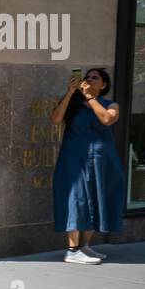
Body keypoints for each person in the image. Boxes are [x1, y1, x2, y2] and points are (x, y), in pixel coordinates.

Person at [51, 67, 124, 264]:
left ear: (104, 84)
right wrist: (70, 93)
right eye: (87, 77)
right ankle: (72, 249)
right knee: (76, 197)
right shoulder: (74, 104)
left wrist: (90, 98)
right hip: (74, 158)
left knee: (96, 197)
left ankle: (85, 246)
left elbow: (107, 119)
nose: (89, 80)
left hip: (101, 160)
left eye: (95, 77)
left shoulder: (111, 104)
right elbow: (56, 119)